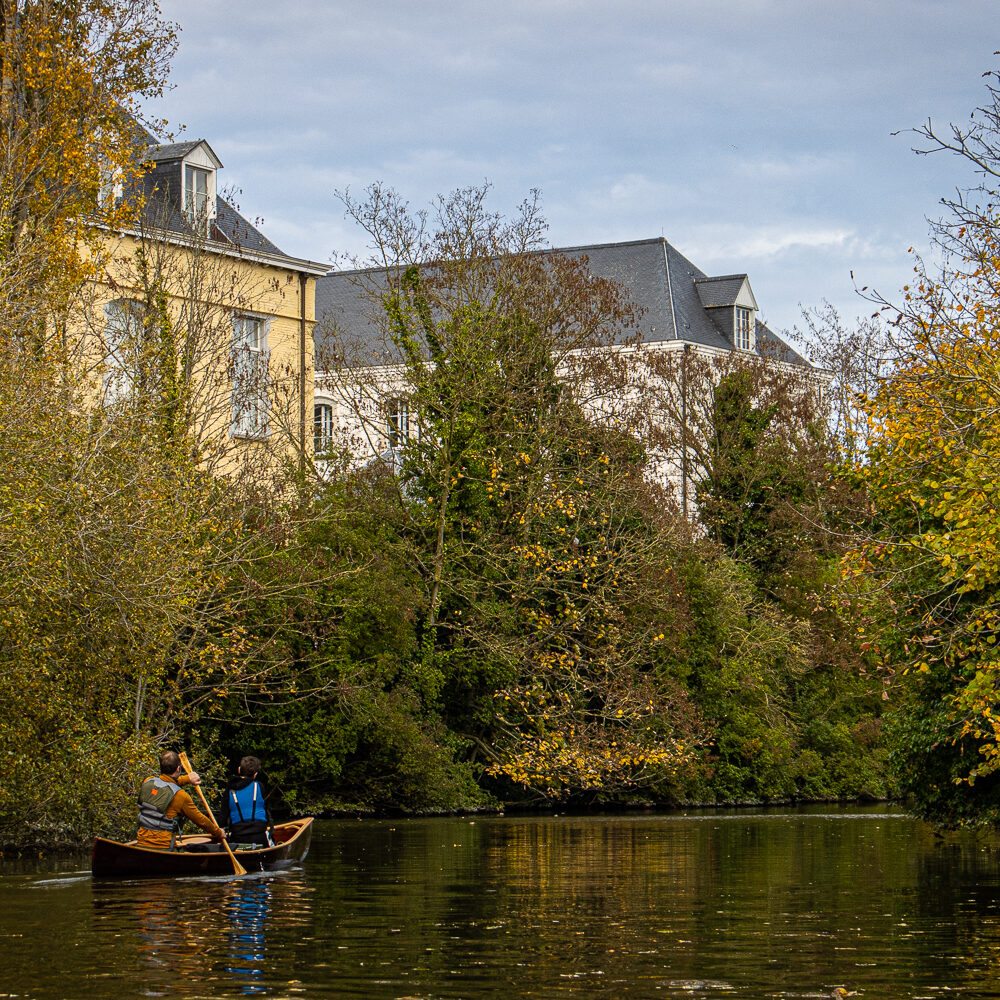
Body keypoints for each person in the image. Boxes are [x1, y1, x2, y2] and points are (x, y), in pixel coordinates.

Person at [136, 750, 226, 850]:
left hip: (141, 843)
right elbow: (201, 821)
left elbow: (165, 783)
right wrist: (218, 832)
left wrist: (187, 779)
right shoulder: (181, 796)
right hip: (164, 847)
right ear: (178, 769)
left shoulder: (148, 782)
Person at [219, 755, 273, 849]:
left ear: (239, 770)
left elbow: (222, 820)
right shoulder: (260, 786)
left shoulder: (229, 790)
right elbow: (266, 813)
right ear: (255, 774)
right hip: (260, 836)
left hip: (237, 837)